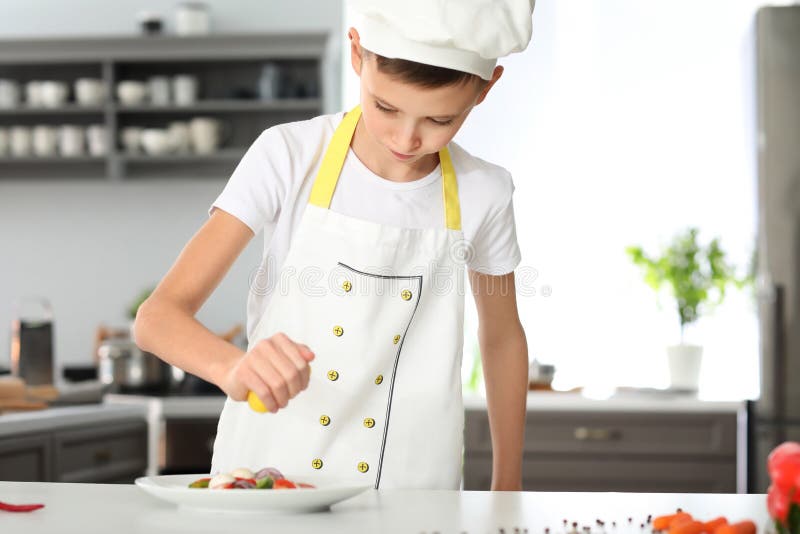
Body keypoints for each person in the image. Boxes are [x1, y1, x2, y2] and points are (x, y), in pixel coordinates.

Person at [134, 0, 534, 490]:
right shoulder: (287, 155)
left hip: (412, 480)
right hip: (271, 473)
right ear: (357, 54)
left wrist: (507, 483)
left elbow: (502, 338)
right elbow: (157, 317)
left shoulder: (485, 191)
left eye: (440, 120)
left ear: (486, 89)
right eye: (386, 106)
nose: (407, 139)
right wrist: (233, 367)